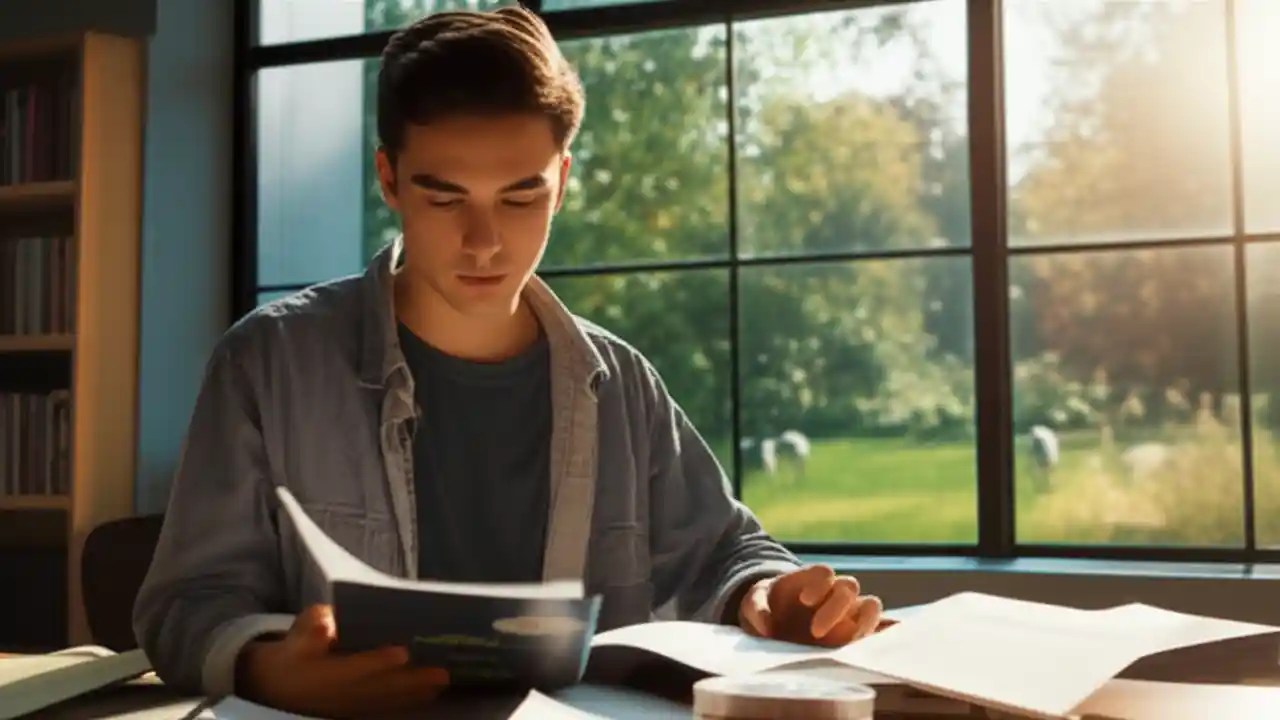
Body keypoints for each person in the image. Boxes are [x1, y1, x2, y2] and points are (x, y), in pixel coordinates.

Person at [132, 7, 882, 717]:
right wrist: (269, 667)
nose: (484, 242)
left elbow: (725, 550)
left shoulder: (618, 383)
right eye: (446, 197)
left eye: (520, 198)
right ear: (389, 179)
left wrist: (769, 594)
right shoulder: (268, 363)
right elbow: (184, 605)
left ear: (562, 182)